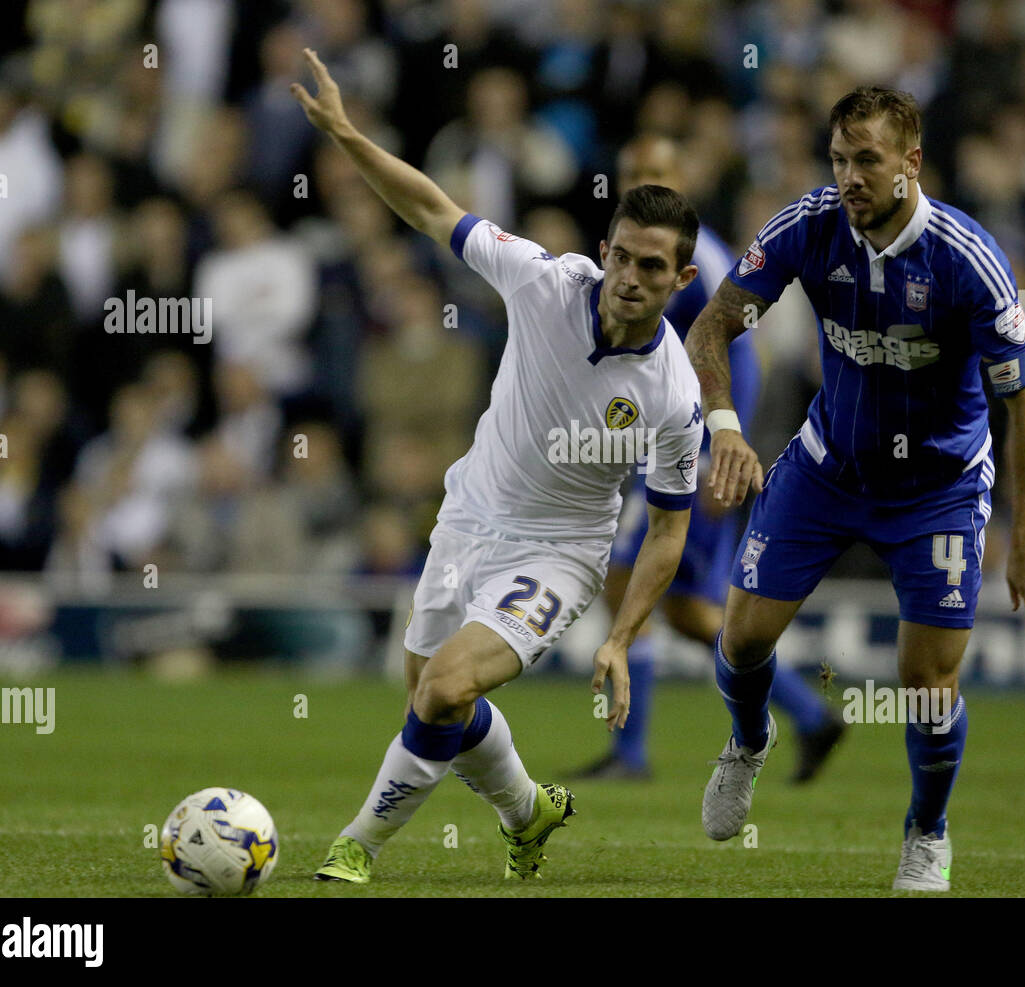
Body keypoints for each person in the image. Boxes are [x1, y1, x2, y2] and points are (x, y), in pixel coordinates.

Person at [291, 49, 705, 881]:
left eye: (652, 266)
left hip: (559, 550)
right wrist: (345, 134)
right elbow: (430, 207)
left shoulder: (673, 394)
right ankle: (529, 810)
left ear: (681, 277)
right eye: (622, 255)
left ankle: (355, 847)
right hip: (470, 512)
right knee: (431, 692)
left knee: (443, 687)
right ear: (606, 246)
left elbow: (668, 530)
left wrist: (622, 638)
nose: (629, 276)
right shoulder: (542, 281)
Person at [684, 87, 1025, 891]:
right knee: (743, 636)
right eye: (838, 159)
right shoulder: (808, 225)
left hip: (938, 485)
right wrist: (724, 424)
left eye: (867, 160)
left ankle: (926, 831)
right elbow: (712, 323)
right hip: (829, 465)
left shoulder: (968, 261)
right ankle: (749, 741)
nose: (849, 177)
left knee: (927, 683)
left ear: (911, 162)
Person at [571, 134, 843, 783]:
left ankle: (629, 752)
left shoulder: (703, 264)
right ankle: (811, 714)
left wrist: (726, 442)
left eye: (656, 171)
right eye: (633, 169)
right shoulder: (641, 255)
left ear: (682, 179)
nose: (641, 179)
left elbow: (733, 354)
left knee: (624, 576)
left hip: (690, 452)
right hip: (656, 448)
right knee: (691, 613)